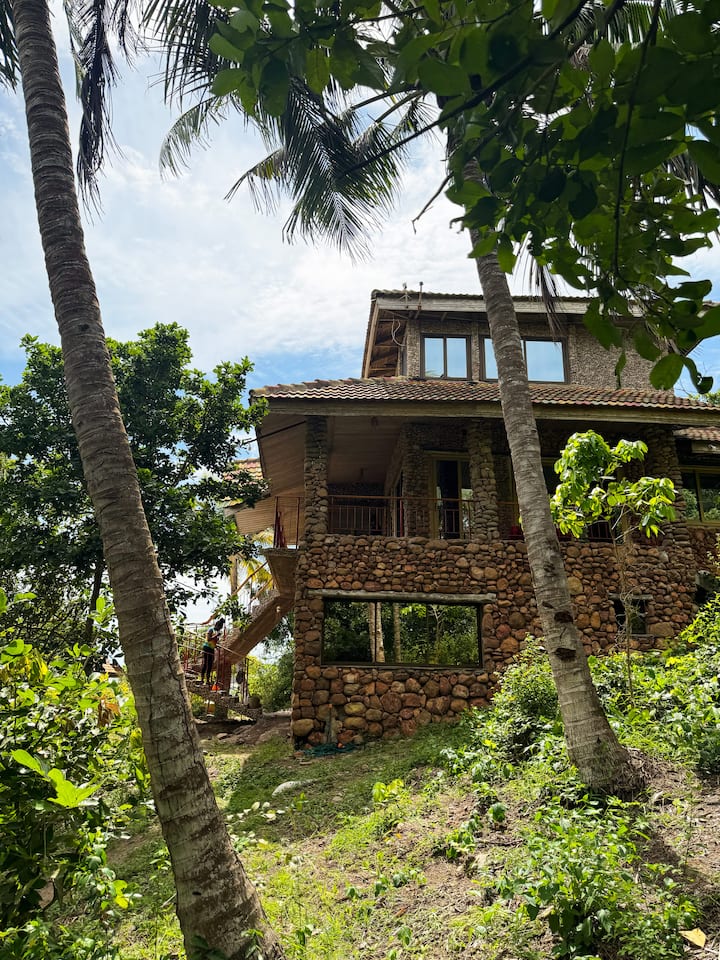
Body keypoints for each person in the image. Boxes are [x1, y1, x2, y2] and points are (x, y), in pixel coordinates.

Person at [200, 617, 224, 684]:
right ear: (216, 625)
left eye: (220, 628)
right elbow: (208, 639)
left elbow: (213, 642)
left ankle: (207, 680)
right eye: (219, 627)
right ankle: (202, 679)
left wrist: (216, 646)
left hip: (211, 649)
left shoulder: (216, 632)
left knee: (210, 665)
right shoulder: (211, 630)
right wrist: (216, 636)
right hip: (206, 648)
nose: (219, 629)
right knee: (205, 663)